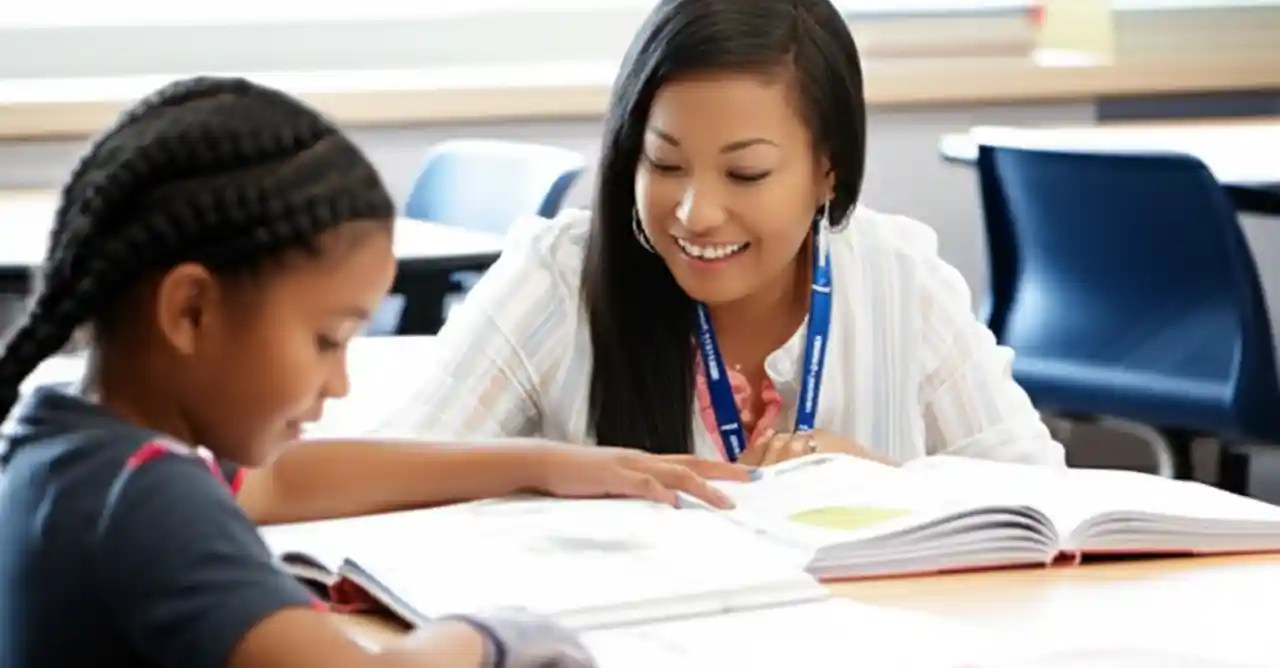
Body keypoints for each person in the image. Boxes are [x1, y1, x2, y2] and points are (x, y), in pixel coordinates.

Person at [252, 0, 1063, 520]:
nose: (695, 211)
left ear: (828, 171)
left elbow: (1049, 504)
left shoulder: (898, 277)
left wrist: (883, 481)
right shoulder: (561, 273)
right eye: (664, 163)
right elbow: (345, 477)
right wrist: (555, 468)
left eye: (745, 172)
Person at [0, 76, 609, 668]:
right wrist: (480, 640)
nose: (340, 381)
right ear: (191, 311)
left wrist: (537, 461)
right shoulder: (148, 496)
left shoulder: (67, 440)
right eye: (327, 339)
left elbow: (279, 483)